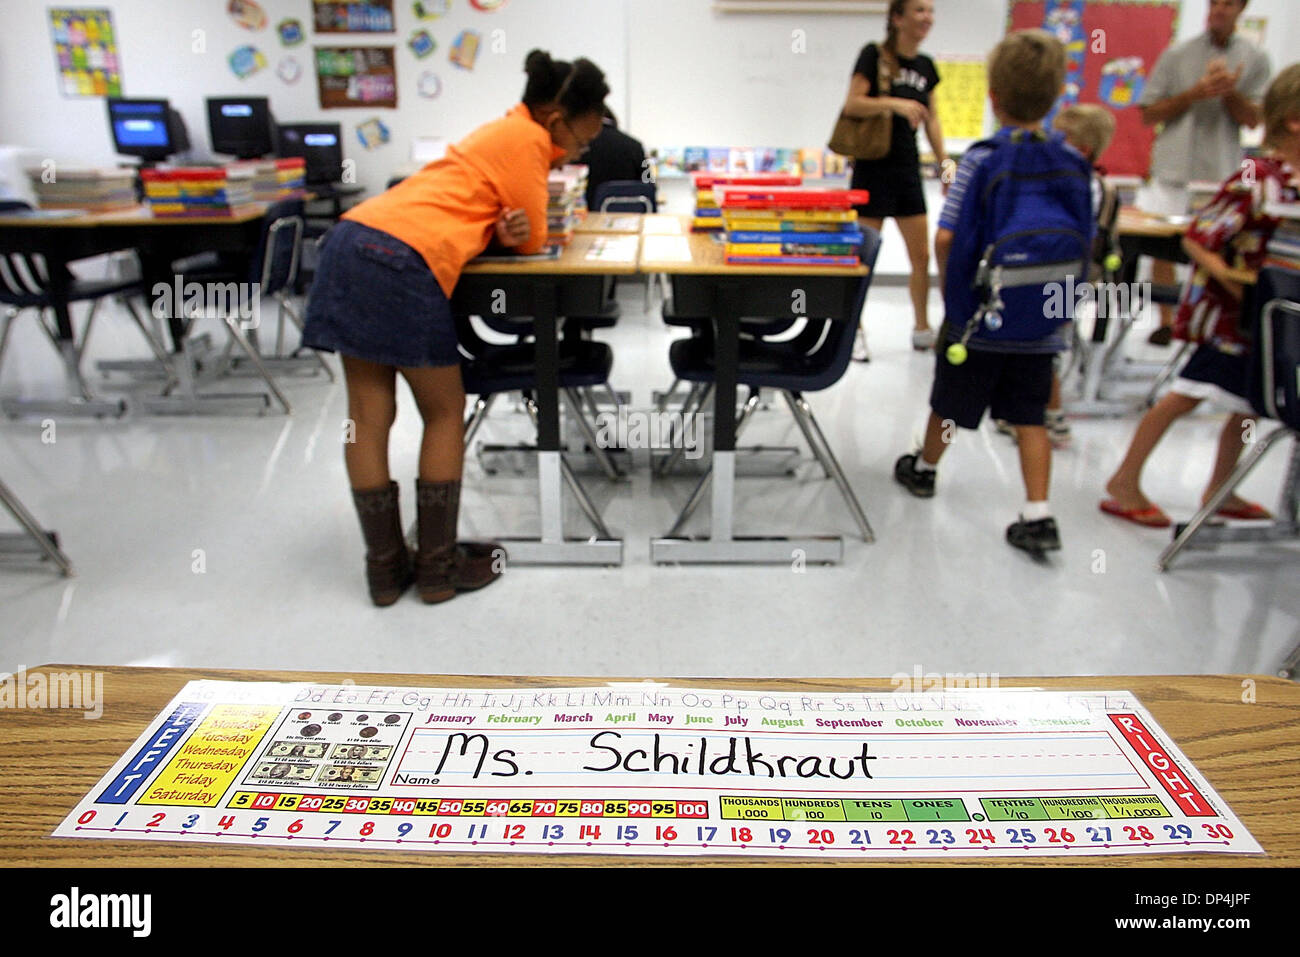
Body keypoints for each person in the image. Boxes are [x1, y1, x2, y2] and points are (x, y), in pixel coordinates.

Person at [302, 50, 609, 606]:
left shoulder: (496, 132)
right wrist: (517, 227)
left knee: (367, 417)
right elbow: (536, 237)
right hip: (401, 259)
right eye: (580, 143)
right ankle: (438, 572)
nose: (576, 153)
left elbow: (473, 209)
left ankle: (385, 573)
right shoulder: (529, 141)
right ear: (557, 120)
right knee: (445, 411)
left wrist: (499, 224)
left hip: (351, 241)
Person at [893, 29, 1093, 558]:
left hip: (979, 320)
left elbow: (946, 238)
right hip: (1041, 324)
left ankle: (926, 469)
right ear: (1055, 98)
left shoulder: (981, 160)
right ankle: (1038, 513)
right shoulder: (1074, 163)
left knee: (951, 404)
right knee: (1030, 416)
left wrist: (955, 299)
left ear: (993, 97)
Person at [1102, 64, 1300, 527]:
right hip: (1235, 317)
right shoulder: (1258, 178)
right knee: (1186, 394)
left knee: (1245, 404)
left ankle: (1221, 489)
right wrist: (1241, 285)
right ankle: (1124, 480)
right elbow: (1197, 238)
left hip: (1272, 325)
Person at [1137, 0, 1271, 345]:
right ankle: (1166, 321)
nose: (1219, 10)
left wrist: (1230, 93)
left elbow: (1255, 120)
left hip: (1220, 172)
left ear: (1241, 9)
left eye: (1228, 4)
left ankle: (1204, 320)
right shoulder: (1176, 54)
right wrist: (1194, 93)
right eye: (1214, 3)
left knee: (1215, 249)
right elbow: (1149, 113)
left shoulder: (1256, 59)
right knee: (1157, 245)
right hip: (1172, 168)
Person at [996, 104, 1117, 448]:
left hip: (1062, 279)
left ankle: (1051, 414)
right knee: (1043, 345)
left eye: (1059, 137)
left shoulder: (1080, 183)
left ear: (1082, 149)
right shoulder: (1084, 181)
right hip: (1063, 276)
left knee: (1044, 346)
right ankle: (1041, 411)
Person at [840, 0, 947, 358]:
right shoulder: (873, 55)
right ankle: (852, 330)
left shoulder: (926, 66)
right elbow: (852, 104)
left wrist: (945, 162)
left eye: (930, 11)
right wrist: (893, 104)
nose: (927, 17)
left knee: (921, 255)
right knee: (861, 256)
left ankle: (921, 327)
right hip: (872, 167)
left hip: (907, 169)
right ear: (897, 18)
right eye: (919, 10)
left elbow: (932, 118)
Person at [582, 108, 647, 212]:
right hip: (629, 212)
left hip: (588, 215)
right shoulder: (636, 146)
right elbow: (648, 181)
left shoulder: (581, 146)